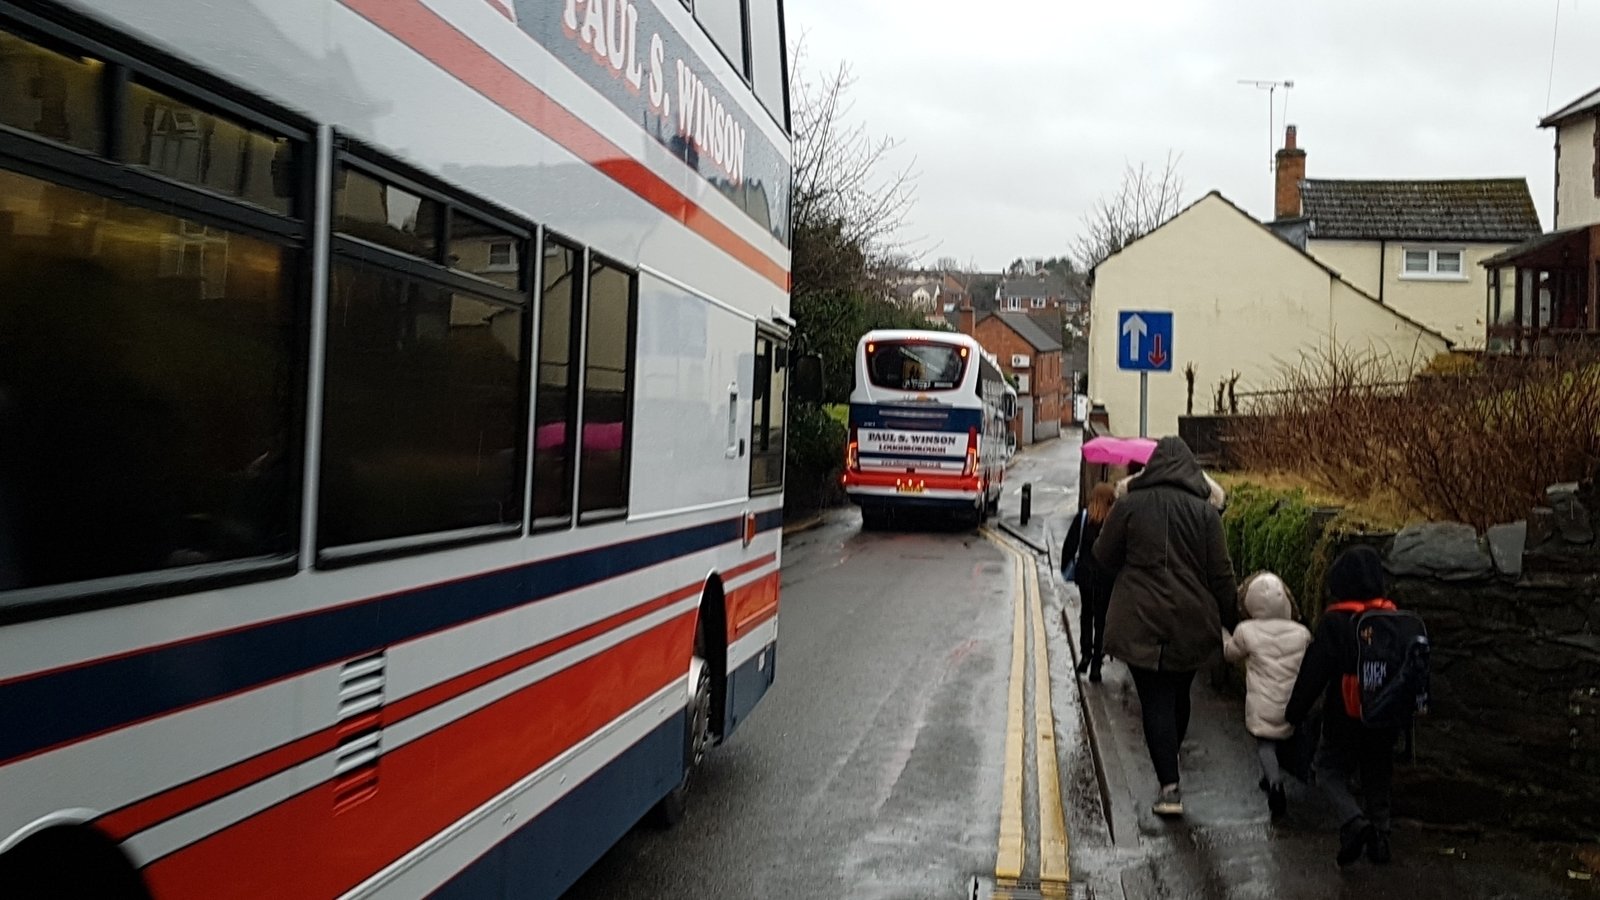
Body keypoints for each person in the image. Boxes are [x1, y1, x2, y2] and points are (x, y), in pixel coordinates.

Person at [1094, 436, 1238, 817]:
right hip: (1192, 619)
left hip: (1139, 618)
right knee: (1178, 693)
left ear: (1153, 466)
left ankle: (1169, 786)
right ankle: (1168, 760)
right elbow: (1221, 574)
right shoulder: (1206, 513)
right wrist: (1232, 619)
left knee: (1155, 699)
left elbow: (1103, 555)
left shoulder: (1129, 505)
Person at [1286, 545, 1401, 866]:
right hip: (1385, 716)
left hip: (1344, 718)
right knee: (1378, 773)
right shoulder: (1393, 618)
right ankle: (1381, 840)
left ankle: (1354, 821)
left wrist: (1294, 712)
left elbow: (1314, 673)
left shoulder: (1335, 622)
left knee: (1327, 771)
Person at [1223, 571, 1312, 817]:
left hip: (1262, 702)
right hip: (1292, 702)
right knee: (1285, 740)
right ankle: (1274, 777)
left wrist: (1223, 635)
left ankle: (1274, 783)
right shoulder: (1301, 633)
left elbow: (1230, 654)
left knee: (1266, 745)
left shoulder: (1246, 631)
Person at [1061, 483, 1116, 682]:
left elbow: (1070, 544)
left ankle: (1085, 654)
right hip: (1106, 578)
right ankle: (1096, 666)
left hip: (1085, 576)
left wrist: (1065, 566)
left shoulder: (1084, 518)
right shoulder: (1113, 523)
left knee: (1086, 613)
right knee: (1101, 619)